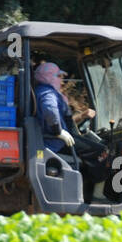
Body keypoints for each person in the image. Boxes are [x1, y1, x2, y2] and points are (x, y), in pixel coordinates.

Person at [32, 59, 110, 199]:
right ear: (49, 77)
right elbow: (50, 110)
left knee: (89, 151)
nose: (62, 80)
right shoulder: (47, 93)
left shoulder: (44, 91)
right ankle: (98, 196)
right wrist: (59, 132)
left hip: (55, 140)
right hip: (56, 142)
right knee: (101, 151)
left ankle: (85, 190)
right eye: (59, 76)